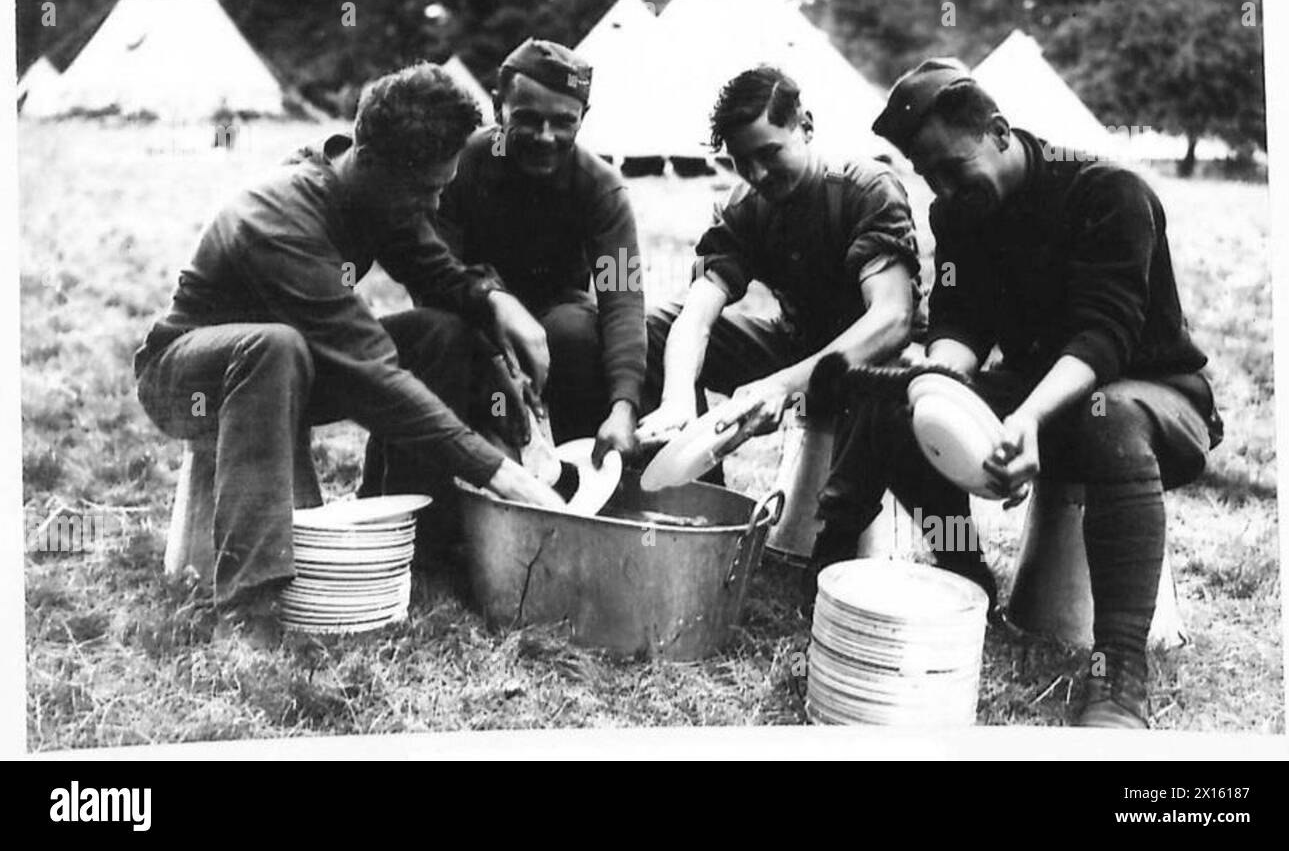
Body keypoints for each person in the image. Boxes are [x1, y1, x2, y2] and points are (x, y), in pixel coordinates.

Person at [837, 56, 1222, 728]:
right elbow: (960, 320)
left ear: (998, 128)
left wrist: (1026, 417)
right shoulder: (960, 213)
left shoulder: (1110, 192)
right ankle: (967, 578)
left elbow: (1105, 338)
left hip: (1155, 394)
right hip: (1042, 391)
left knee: (1112, 417)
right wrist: (938, 380)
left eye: (950, 167)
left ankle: (1120, 672)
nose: (942, 188)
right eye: (927, 176)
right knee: (898, 399)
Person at [134, 63, 564, 627]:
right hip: (187, 377)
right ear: (374, 163)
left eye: (443, 188)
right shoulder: (278, 217)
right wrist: (502, 475)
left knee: (440, 333)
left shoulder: (375, 188)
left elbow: (440, 277)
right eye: (427, 190)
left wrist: (494, 303)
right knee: (275, 346)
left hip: (292, 370)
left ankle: (415, 541)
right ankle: (250, 600)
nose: (435, 207)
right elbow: (373, 373)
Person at [640, 65, 955, 578]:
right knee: (654, 327)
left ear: (805, 126)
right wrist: (678, 397)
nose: (758, 175)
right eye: (743, 162)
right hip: (796, 344)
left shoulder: (865, 188)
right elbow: (695, 313)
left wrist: (779, 386)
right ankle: (709, 511)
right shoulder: (745, 206)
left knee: (888, 373)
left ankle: (861, 546)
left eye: (769, 154)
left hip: (873, 362)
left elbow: (893, 318)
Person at [431, 39, 646, 467]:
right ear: (498, 108)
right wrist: (491, 355)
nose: (545, 138)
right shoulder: (462, 166)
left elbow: (622, 300)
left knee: (574, 331)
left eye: (563, 122)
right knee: (436, 339)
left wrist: (624, 405)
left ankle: (573, 471)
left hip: (555, 325)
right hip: (468, 313)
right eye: (527, 120)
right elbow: (433, 278)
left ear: (583, 118)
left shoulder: (600, 187)